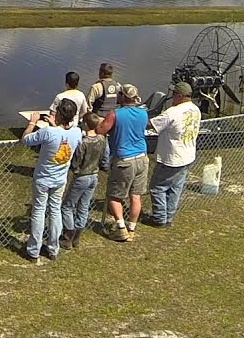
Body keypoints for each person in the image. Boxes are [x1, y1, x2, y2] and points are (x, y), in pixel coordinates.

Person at [19, 98, 80, 262]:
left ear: (59, 114)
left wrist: (32, 123)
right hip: (60, 179)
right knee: (55, 211)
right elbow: (63, 136)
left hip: (43, 179)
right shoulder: (77, 132)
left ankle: (34, 250)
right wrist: (55, 125)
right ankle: (53, 248)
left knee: (39, 212)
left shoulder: (48, 132)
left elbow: (26, 139)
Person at [95, 84, 149, 242]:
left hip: (124, 160)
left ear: (123, 96)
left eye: (119, 93)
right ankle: (131, 228)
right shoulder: (143, 113)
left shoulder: (115, 113)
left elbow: (101, 130)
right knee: (136, 196)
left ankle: (121, 228)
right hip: (142, 157)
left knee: (114, 196)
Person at [147, 81, 202, 228]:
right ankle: (169, 216)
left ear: (179, 95)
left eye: (173, 94)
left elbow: (151, 124)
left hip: (171, 157)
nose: (171, 97)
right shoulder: (195, 109)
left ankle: (159, 218)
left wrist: (135, 118)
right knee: (176, 188)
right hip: (187, 155)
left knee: (157, 187)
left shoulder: (173, 112)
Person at [59, 112, 104, 250]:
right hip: (94, 175)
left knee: (67, 206)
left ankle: (68, 234)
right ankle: (77, 235)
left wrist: (74, 169)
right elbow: (103, 157)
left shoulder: (83, 143)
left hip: (82, 176)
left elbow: (76, 162)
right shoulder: (102, 139)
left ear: (85, 124)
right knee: (83, 206)